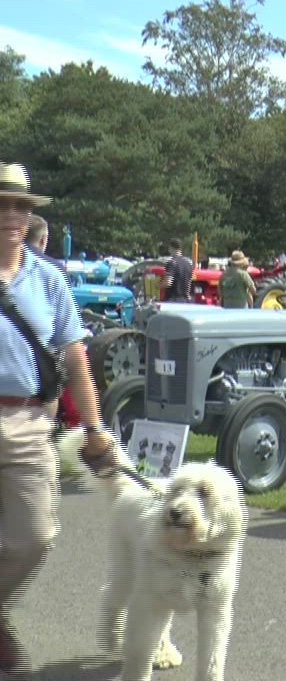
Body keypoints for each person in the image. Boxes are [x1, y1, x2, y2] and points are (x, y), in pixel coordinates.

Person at [0, 162, 113, 675]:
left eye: (22, 205)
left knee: (35, 537)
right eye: (3, 204)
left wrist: (93, 429)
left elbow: (75, 358)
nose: (14, 214)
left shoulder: (47, 280)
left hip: (28, 425)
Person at [162, 237, 193, 302]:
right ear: (180, 248)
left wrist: (157, 285)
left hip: (173, 300)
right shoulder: (188, 264)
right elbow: (189, 283)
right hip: (186, 300)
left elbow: (168, 282)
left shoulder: (172, 262)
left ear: (171, 248)